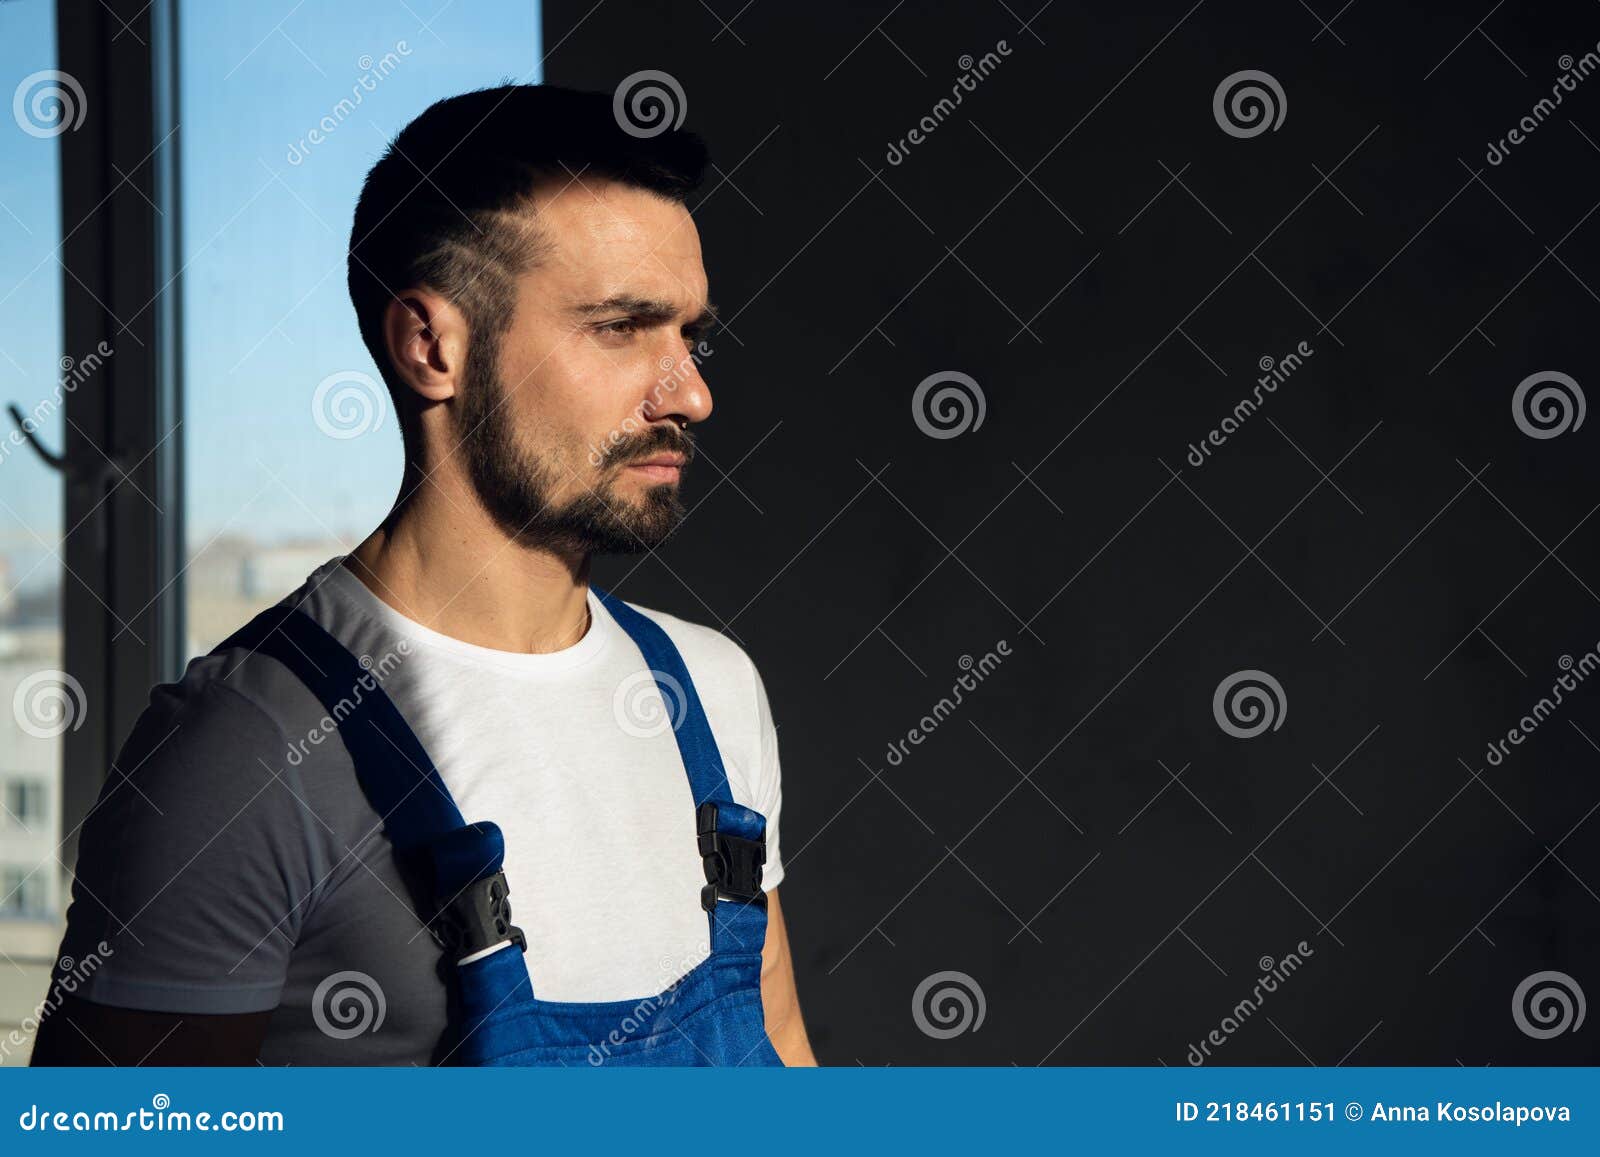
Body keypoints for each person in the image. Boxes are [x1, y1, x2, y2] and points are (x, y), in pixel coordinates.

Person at [31, 83, 815, 1066]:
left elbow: (781, 1054)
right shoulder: (243, 753)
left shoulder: (710, 688)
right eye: (622, 327)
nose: (691, 392)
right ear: (431, 345)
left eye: (689, 336)